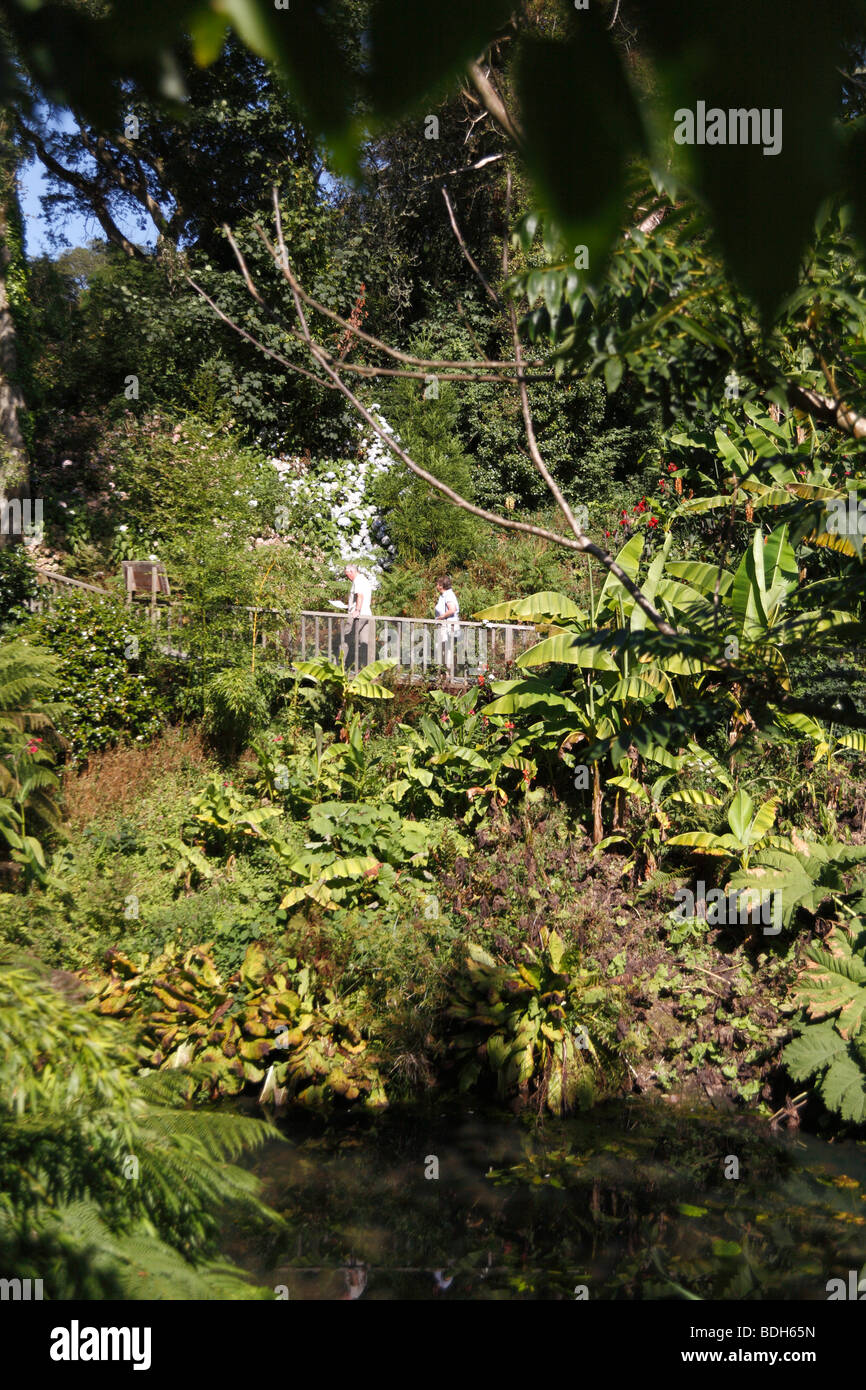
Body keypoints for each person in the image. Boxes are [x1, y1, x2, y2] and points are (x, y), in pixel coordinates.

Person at [343, 565, 373, 668]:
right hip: (367, 614)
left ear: (352, 572)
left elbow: (360, 595)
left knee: (346, 638)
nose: (348, 578)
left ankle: (338, 666)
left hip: (358, 615)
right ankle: (366, 667)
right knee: (364, 642)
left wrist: (357, 610)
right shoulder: (364, 579)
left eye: (347, 575)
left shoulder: (358, 580)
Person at [434, 575, 460, 676]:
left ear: (441, 585)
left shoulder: (448, 595)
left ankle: (448, 675)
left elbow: (452, 609)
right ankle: (444, 674)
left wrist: (441, 617)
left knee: (446, 651)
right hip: (444, 626)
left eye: (437, 584)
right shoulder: (444, 596)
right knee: (442, 650)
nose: (436, 586)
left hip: (447, 627)